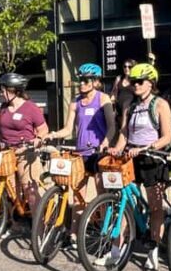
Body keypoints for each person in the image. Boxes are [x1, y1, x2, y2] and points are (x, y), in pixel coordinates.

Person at [110, 63, 171, 271]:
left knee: (155, 207)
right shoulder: (131, 106)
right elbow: (124, 133)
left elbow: (167, 136)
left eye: (140, 82)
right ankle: (115, 250)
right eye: (133, 82)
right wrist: (116, 149)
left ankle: (153, 251)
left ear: (151, 83)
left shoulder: (160, 104)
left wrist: (148, 147)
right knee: (123, 201)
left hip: (153, 157)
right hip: (132, 157)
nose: (135, 85)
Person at [46, 63, 117, 234]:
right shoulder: (75, 102)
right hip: (80, 154)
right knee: (77, 196)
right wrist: (53, 134)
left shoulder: (103, 99)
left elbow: (112, 126)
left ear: (95, 81)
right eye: (81, 80)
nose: (82, 83)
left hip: (98, 153)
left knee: (102, 195)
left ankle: (104, 232)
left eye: (86, 80)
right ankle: (74, 233)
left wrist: (106, 142)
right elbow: (68, 128)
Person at [0, 72, 49, 216]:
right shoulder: (3, 107)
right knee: (10, 190)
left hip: (26, 153)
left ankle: (39, 228)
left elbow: (44, 129)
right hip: (7, 153)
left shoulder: (30, 108)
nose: (1, 93)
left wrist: (38, 139)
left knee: (30, 191)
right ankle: (15, 224)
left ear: (13, 90)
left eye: (3, 89)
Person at [110, 58, 136, 130]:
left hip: (131, 112)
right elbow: (114, 92)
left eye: (129, 67)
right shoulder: (119, 78)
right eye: (125, 66)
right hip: (119, 112)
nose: (126, 68)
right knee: (121, 131)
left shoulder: (136, 80)